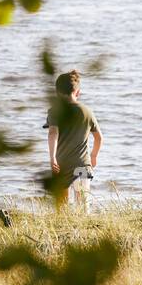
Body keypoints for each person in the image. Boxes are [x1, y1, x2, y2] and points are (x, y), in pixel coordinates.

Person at [44, 70, 101, 211]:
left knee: (61, 206)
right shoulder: (87, 112)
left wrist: (52, 157)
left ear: (57, 93)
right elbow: (99, 137)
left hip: (61, 164)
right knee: (83, 205)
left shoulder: (55, 111)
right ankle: (84, 228)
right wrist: (94, 155)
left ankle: (62, 226)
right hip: (82, 163)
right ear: (77, 93)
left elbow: (53, 133)